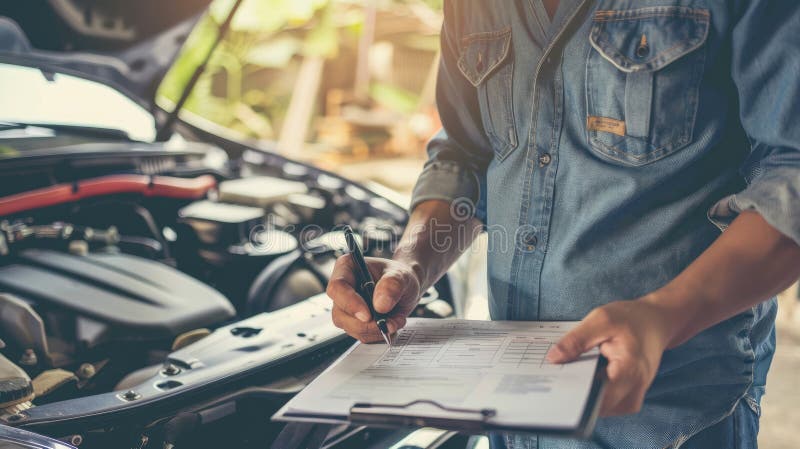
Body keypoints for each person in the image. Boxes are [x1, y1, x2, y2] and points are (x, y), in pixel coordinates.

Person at [326, 1, 800, 447]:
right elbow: (466, 153)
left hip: (673, 415)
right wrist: (410, 265)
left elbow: (792, 172)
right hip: (510, 412)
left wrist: (665, 315)